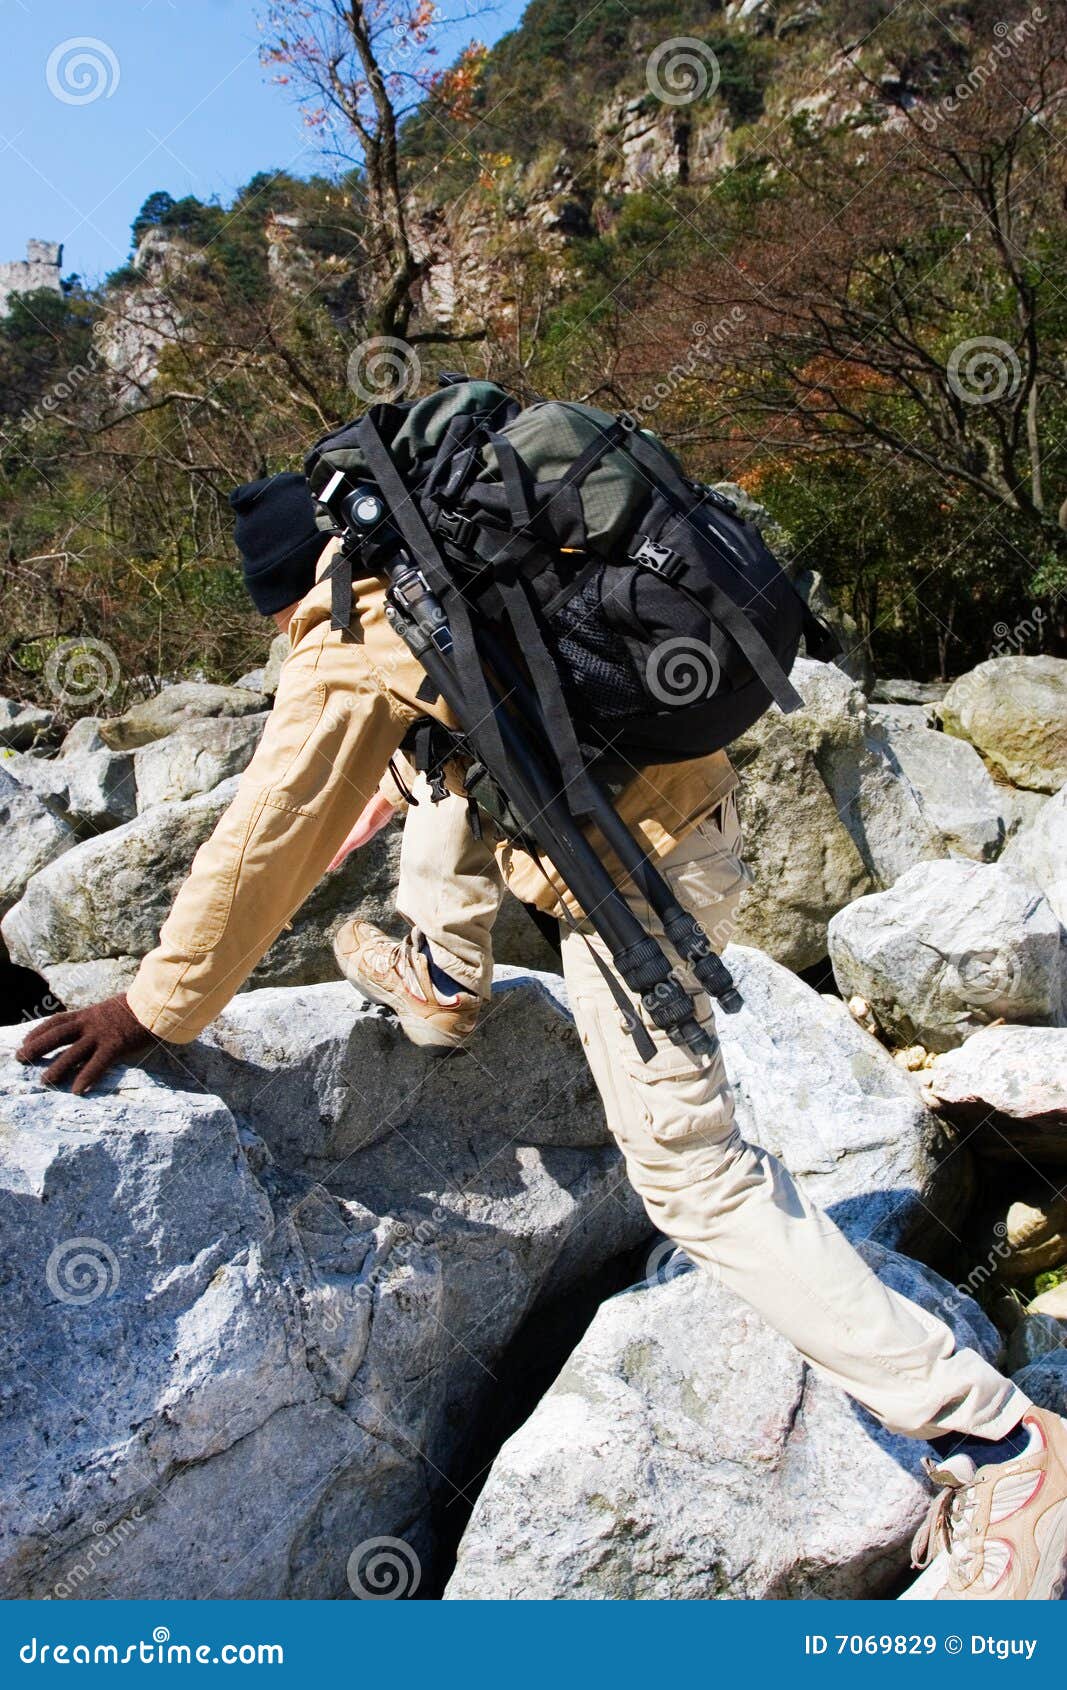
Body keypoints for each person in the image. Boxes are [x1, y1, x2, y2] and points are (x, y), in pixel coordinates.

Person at [17, 469, 1067, 1602]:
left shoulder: (347, 621)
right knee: (432, 759)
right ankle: (444, 971)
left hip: (638, 888)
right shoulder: (442, 556)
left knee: (693, 1179)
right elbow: (480, 715)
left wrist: (151, 1007)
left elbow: (263, 837)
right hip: (678, 818)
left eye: (271, 619)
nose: (279, 639)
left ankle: (997, 1442)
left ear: (288, 589)